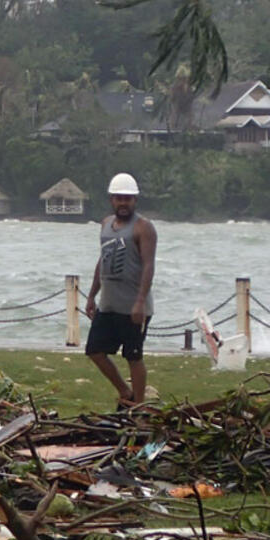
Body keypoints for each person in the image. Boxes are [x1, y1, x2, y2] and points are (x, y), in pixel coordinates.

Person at [85, 172, 157, 409]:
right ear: (111, 199)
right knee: (95, 350)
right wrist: (92, 295)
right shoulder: (106, 224)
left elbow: (148, 265)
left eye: (128, 198)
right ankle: (125, 392)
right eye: (119, 198)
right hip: (109, 304)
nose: (123, 203)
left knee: (133, 356)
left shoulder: (143, 228)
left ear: (135, 200)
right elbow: (102, 260)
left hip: (134, 307)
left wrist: (140, 302)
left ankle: (139, 406)